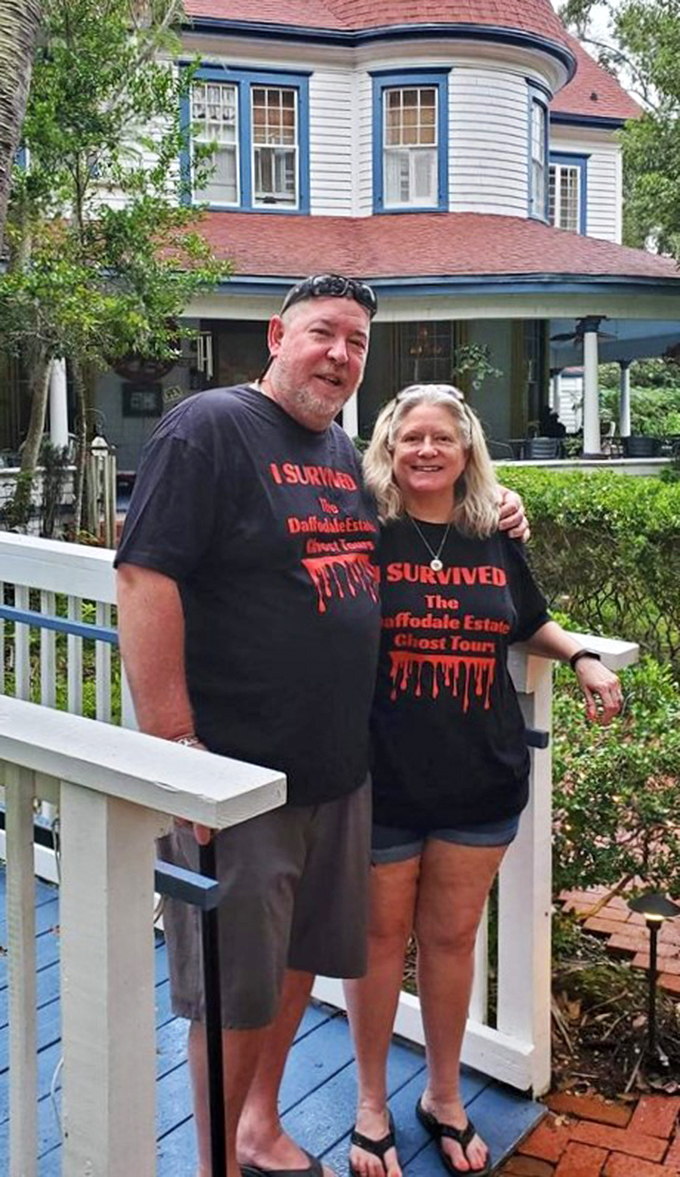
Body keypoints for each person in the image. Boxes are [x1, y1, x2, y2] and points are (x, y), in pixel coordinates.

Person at [115, 279, 527, 1177]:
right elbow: (145, 579)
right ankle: (219, 1162)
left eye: (357, 343)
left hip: (337, 771)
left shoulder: (340, 452)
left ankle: (260, 1126)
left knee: (297, 961)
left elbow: (419, 512)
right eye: (323, 334)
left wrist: (497, 509)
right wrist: (176, 748)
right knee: (234, 993)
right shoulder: (211, 428)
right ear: (278, 334)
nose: (340, 355)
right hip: (238, 775)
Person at [344, 384, 622, 1177]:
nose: (426, 450)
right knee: (376, 941)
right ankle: (369, 1100)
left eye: (443, 439)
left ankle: (442, 1094)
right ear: (388, 451)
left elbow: (526, 616)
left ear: (468, 453)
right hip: (382, 775)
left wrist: (580, 655)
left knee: (451, 938)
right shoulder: (363, 529)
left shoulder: (491, 531)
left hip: (481, 775)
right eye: (411, 439)